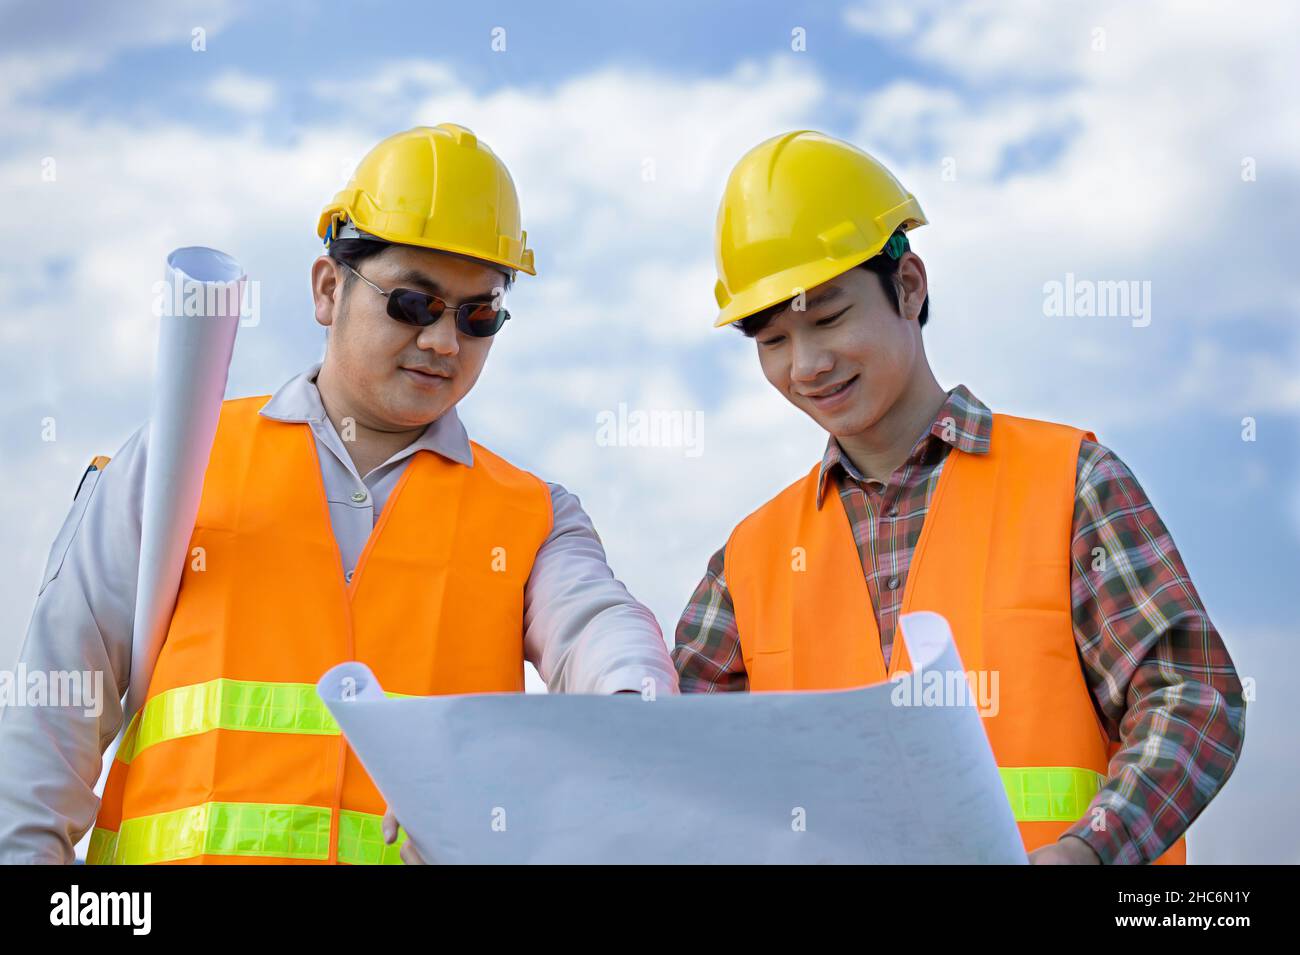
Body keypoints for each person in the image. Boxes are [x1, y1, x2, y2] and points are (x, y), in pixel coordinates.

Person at [0, 123, 677, 865]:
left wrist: (632, 716)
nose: (445, 342)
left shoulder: (533, 516)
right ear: (329, 288)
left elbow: (601, 628)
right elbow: (47, 718)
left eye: (478, 316)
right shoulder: (179, 459)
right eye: (414, 304)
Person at [672, 130, 1245, 864]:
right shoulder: (748, 561)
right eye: (772, 340)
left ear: (909, 287)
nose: (806, 364)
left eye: (828, 319)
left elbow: (1193, 697)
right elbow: (676, 765)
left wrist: (1088, 852)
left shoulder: (1071, 482)